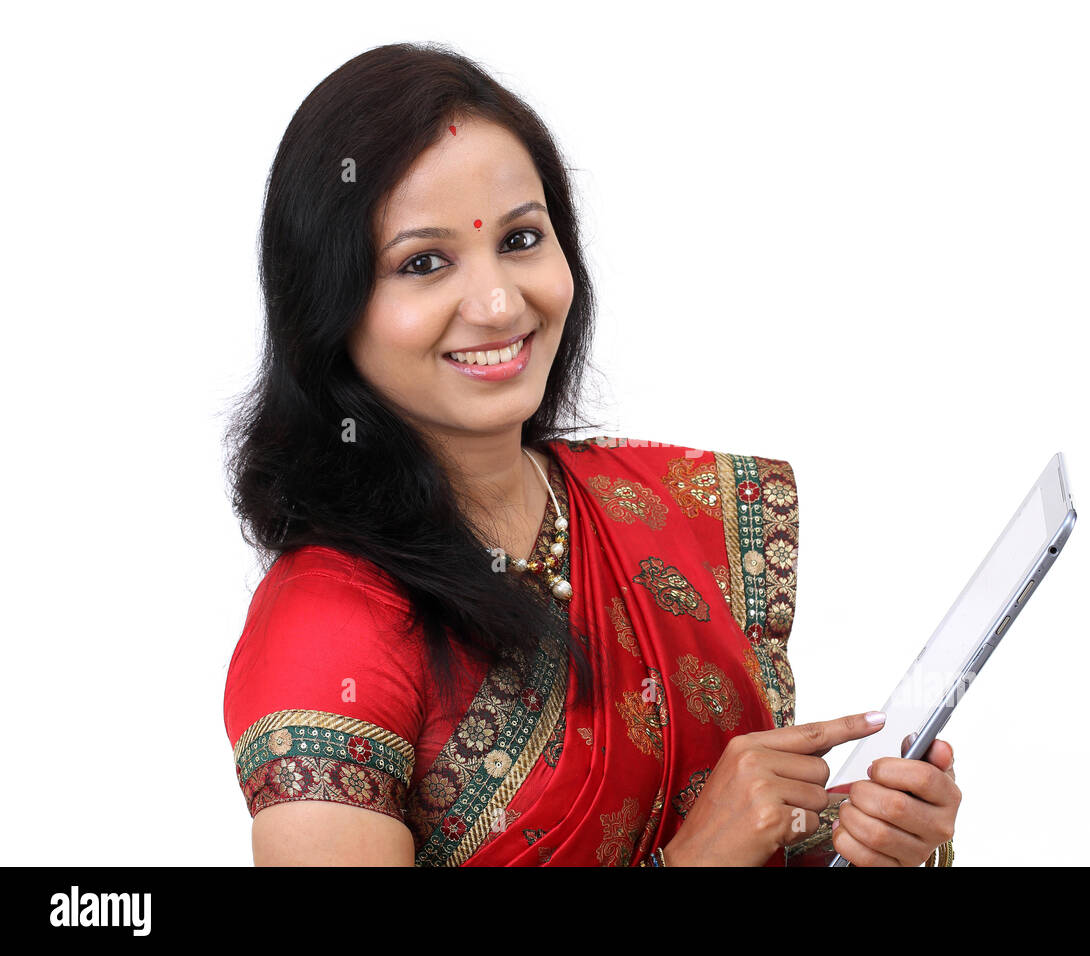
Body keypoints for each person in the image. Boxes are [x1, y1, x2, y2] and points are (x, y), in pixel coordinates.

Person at [222, 42, 960, 867]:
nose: (500, 302)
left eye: (521, 238)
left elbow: (770, 845)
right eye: (424, 263)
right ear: (329, 306)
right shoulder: (327, 631)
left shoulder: (663, 510)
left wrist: (878, 847)